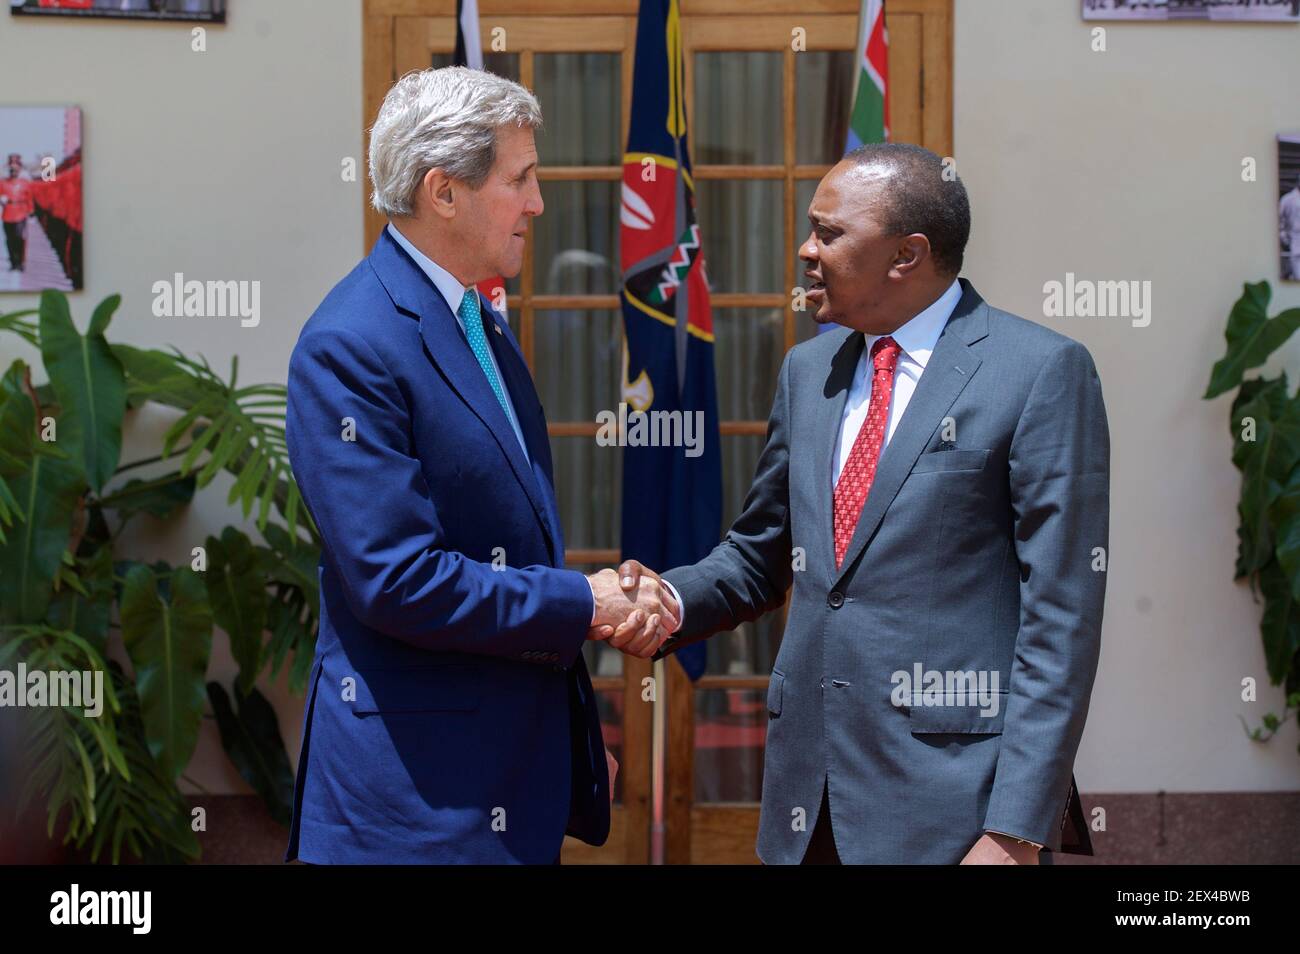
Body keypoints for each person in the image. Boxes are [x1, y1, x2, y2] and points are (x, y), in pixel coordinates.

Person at [621, 143, 1110, 864]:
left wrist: (1014, 829)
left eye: (829, 232)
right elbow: (762, 555)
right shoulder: (807, 370)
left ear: (906, 255)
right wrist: (663, 599)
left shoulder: (1039, 372)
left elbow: (1061, 620)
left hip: (954, 810)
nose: (806, 249)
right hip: (805, 802)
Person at [283, 66, 677, 865]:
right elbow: (398, 581)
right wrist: (586, 601)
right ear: (443, 192)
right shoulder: (351, 345)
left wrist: (561, 734)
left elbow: (508, 538)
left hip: (503, 780)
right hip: (417, 808)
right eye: (520, 178)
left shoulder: (473, 316)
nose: (537, 202)